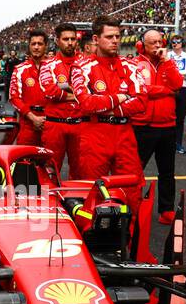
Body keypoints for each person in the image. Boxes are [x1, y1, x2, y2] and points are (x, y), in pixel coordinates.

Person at [70, 15, 146, 209]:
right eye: (109, 37)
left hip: (124, 135)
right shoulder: (82, 67)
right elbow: (86, 103)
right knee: (91, 192)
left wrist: (109, 108)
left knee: (132, 190)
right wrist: (120, 98)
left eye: (118, 36)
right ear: (96, 39)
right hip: (94, 134)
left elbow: (141, 102)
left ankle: (129, 236)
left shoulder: (130, 66)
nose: (115, 41)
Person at [129, 29, 184, 224]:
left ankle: (166, 209)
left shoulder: (169, 63)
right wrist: (164, 90)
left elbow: (177, 84)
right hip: (141, 126)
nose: (157, 45)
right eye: (152, 42)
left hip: (167, 125)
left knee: (167, 171)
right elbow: (139, 89)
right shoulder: (134, 64)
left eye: (160, 41)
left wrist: (167, 63)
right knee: (135, 170)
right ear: (141, 45)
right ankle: (132, 206)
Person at [39, 22, 85, 175]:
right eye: (66, 39)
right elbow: (49, 91)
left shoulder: (86, 63)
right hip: (55, 125)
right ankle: (51, 198)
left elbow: (92, 93)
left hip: (80, 125)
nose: (70, 43)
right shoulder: (48, 64)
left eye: (73, 39)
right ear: (57, 41)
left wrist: (65, 94)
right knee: (50, 170)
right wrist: (77, 96)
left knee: (80, 170)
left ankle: (79, 199)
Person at [8, 28, 50, 146]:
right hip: (27, 123)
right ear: (29, 46)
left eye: (40, 44)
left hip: (51, 123)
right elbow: (14, 98)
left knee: (50, 162)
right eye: (33, 44)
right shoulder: (19, 69)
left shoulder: (55, 68)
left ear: (46, 46)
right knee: (25, 162)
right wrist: (33, 118)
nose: (36, 47)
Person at [169, 35, 186, 154]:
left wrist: (176, 75)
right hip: (169, 90)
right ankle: (168, 143)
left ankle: (178, 144)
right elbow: (166, 73)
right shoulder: (167, 55)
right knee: (168, 117)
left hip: (183, 89)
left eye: (178, 41)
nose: (175, 43)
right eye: (173, 42)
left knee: (180, 118)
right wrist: (181, 74)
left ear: (182, 43)